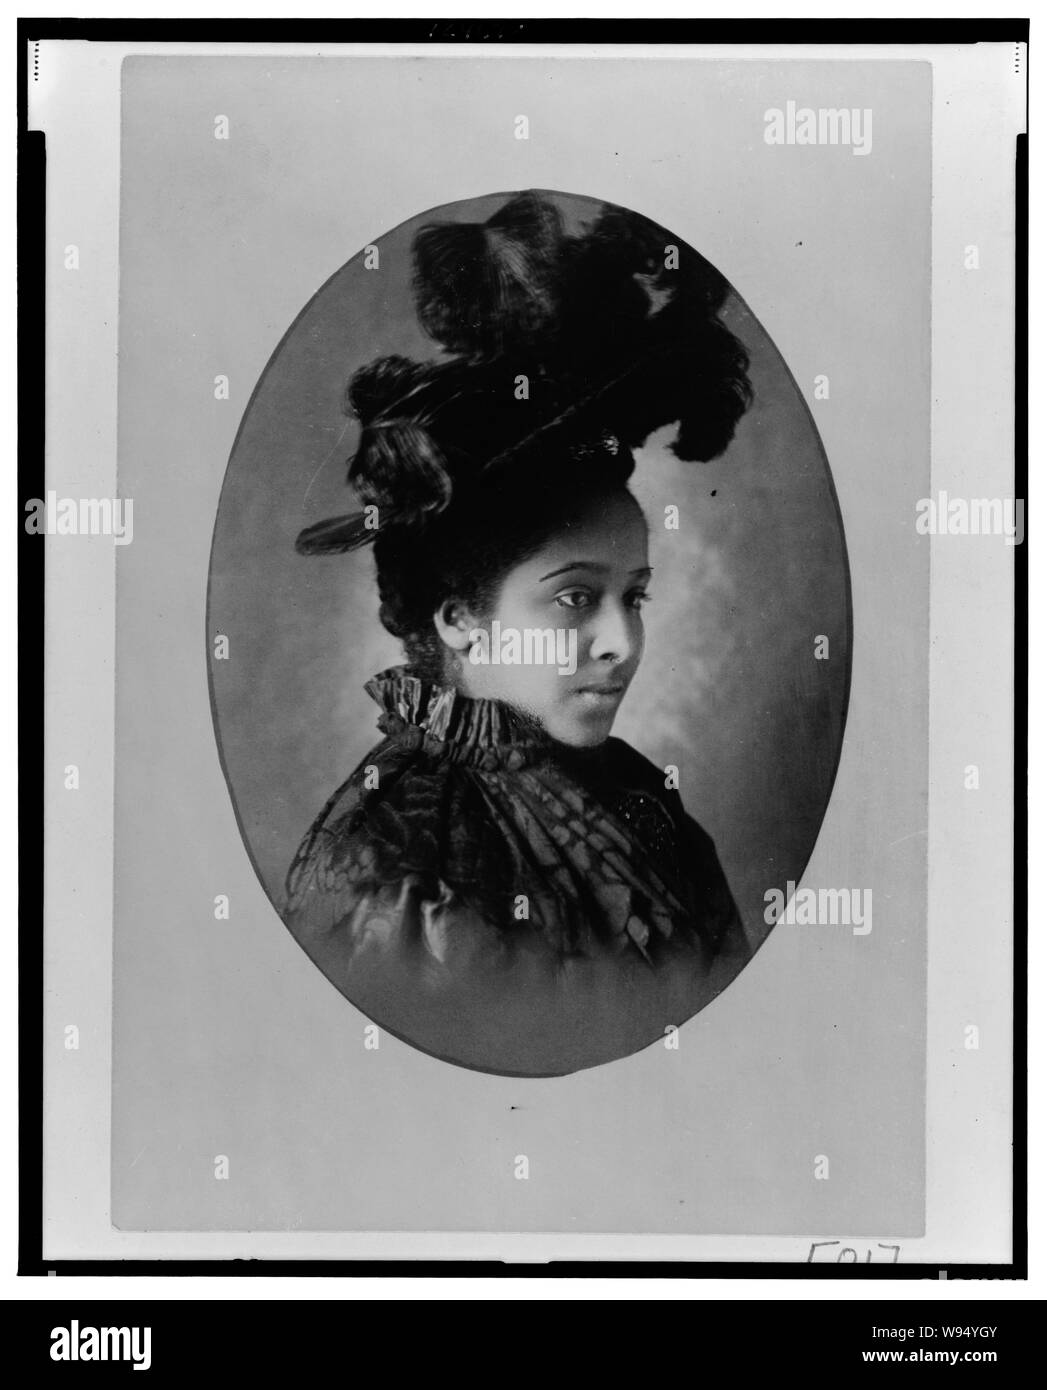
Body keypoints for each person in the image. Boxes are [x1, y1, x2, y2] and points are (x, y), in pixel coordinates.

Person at [283, 191, 755, 1075]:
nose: (621, 643)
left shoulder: (649, 809)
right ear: (459, 618)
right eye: (575, 599)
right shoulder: (397, 864)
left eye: (636, 597)